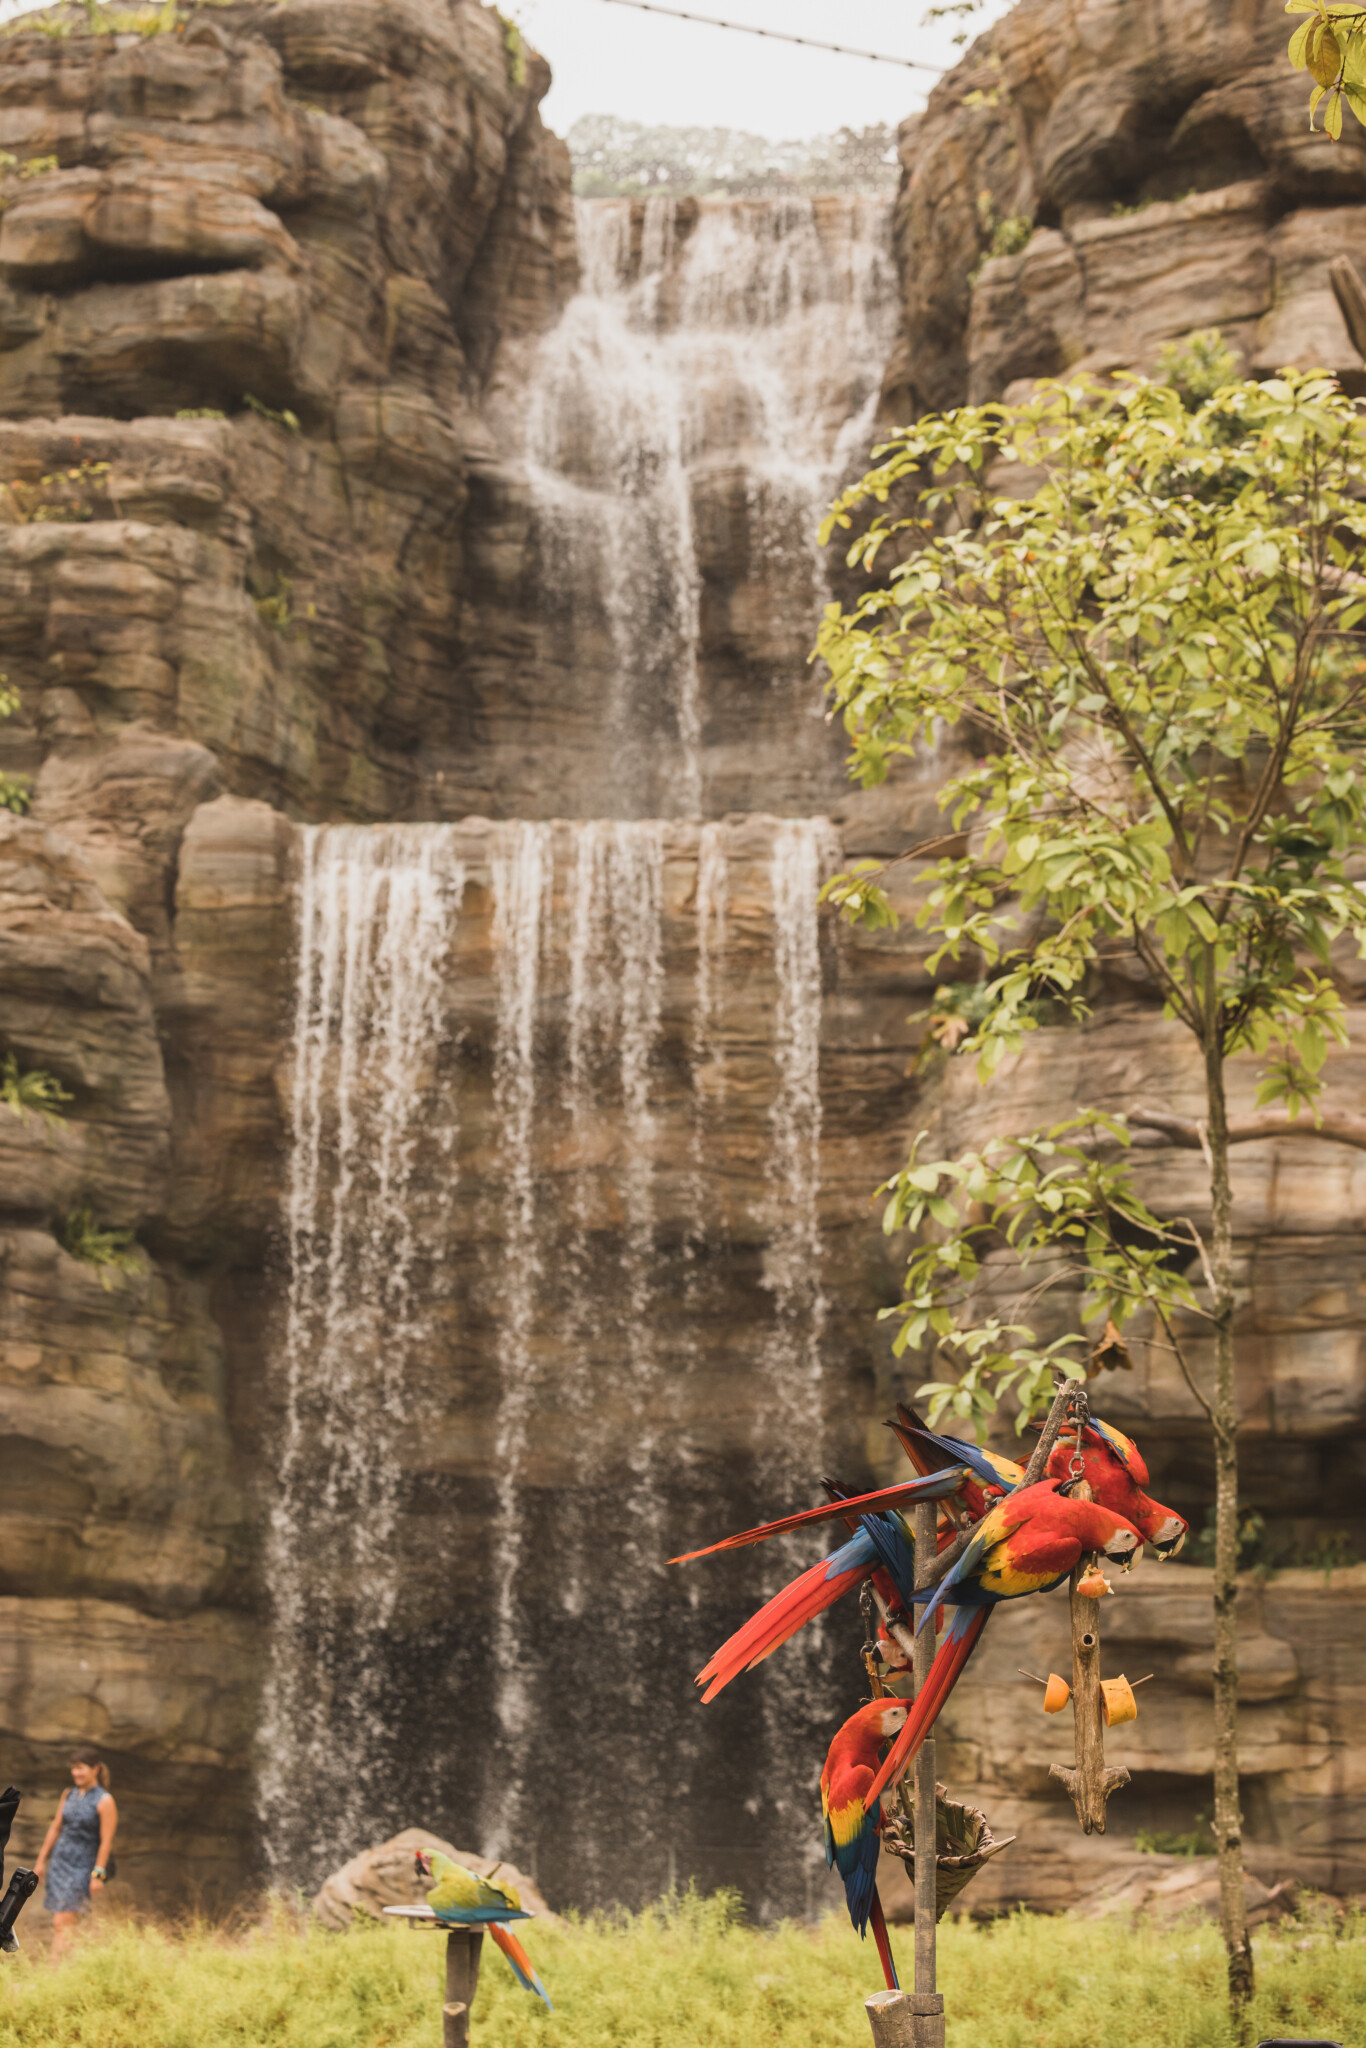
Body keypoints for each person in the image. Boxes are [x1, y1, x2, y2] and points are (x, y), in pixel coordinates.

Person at [34, 1748, 117, 1956]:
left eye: (80, 1769)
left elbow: (106, 1841)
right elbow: (55, 1827)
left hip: (82, 1867)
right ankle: (70, 1968)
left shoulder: (105, 1800)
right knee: (63, 1923)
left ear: (95, 1769)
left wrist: (98, 1875)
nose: (76, 1774)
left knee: (63, 1921)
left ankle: (54, 1973)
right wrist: (40, 1861)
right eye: (73, 1769)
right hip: (60, 1864)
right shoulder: (68, 1794)